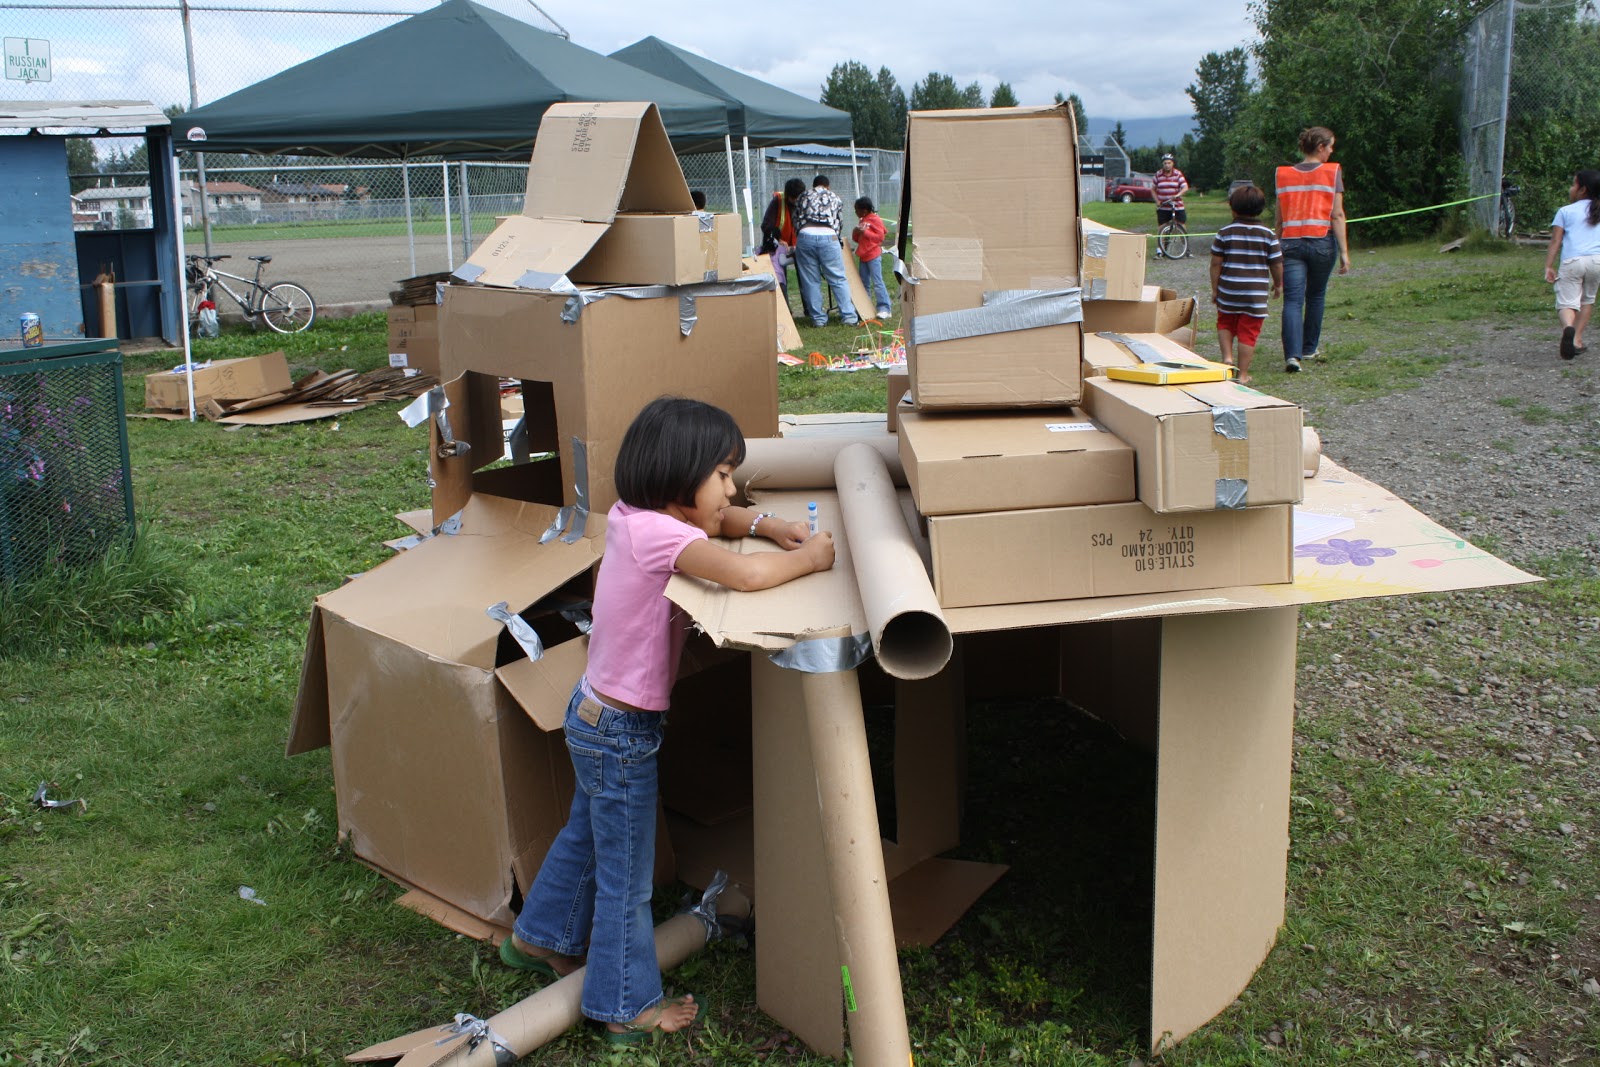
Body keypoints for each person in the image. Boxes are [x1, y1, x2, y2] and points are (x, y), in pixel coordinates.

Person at [499, 397, 835, 1044]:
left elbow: (722, 520)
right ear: (681, 482)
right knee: (627, 876)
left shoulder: (636, 516)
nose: (731, 488)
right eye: (722, 475)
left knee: (586, 835)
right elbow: (744, 575)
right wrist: (809, 555)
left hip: (593, 713)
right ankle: (624, 1006)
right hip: (621, 733)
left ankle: (537, 936)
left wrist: (766, 520)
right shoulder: (669, 537)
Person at [1274, 126, 1350, 373]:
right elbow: (1337, 215)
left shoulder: (1283, 174)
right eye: (1330, 146)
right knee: (1316, 296)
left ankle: (1292, 356)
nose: (1331, 151)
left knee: (1292, 300)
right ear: (1320, 147)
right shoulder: (1332, 172)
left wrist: (1275, 249)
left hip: (1291, 243)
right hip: (1321, 243)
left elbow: (1279, 219)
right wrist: (1345, 252)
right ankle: (1309, 348)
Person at [1209, 183, 1283, 385]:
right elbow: (1276, 264)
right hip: (1255, 295)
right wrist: (1278, 284)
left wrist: (1215, 289)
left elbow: (1216, 263)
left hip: (1229, 290)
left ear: (1233, 208)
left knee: (1225, 322)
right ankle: (1242, 375)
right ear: (1261, 208)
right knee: (1248, 332)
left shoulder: (1224, 233)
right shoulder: (1269, 235)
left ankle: (1227, 359)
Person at [1543, 169, 1600, 359]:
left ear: (1582, 189)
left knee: (1567, 302)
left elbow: (1556, 241)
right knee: (1587, 300)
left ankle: (1568, 328)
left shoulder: (1565, 211)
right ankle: (1577, 340)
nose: (1571, 188)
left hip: (1572, 261)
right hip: (1597, 261)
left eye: (1573, 184)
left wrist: (1549, 266)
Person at [793, 174, 860, 328]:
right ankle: (849, 316)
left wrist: (801, 235)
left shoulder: (804, 196)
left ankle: (818, 319)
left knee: (811, 281)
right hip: (829, 236)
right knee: (838, 278)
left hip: (806, 235)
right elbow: (839, 221)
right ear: (827, 186)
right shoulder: (835, 197)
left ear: (813, 185)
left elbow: (795, 218)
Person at [759, 178, 806, 309]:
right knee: (781, 278)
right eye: (793, 198)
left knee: (805, 277)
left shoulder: (806, 202)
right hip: (781, 247)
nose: (796, 201)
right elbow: (766, 225)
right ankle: (785, 310)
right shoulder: (778, 201)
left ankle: (809, 309)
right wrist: (778, 240)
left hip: (800, 244)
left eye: (798, 198)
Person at [851, 196, 893, 320]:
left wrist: (865, 232)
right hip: (863, 256)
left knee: (877, 282)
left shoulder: (875, 219)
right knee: (864, 283)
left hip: (873, 255)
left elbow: (880, 237)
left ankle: (885, 308)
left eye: (857, 210)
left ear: (864, 210)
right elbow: (856, 239)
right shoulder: (862, 221)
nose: (856, 213)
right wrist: (856, 231)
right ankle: (866, 307)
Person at [1152, 154, 1189, 253]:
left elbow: (1185, 187)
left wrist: (1178, 194)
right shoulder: (1158, 175)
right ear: (1162, 164)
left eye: (1169, 163)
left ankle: (1186, 249)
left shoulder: (1177, 174)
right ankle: (1160, 250)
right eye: (1165, 163)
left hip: (1177, 206)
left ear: (1172, 163)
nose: (1167, 165)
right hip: (1164, 206)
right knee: (1161, 227)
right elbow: (1153, 189)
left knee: (1182, 225)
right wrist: (1157, 201)